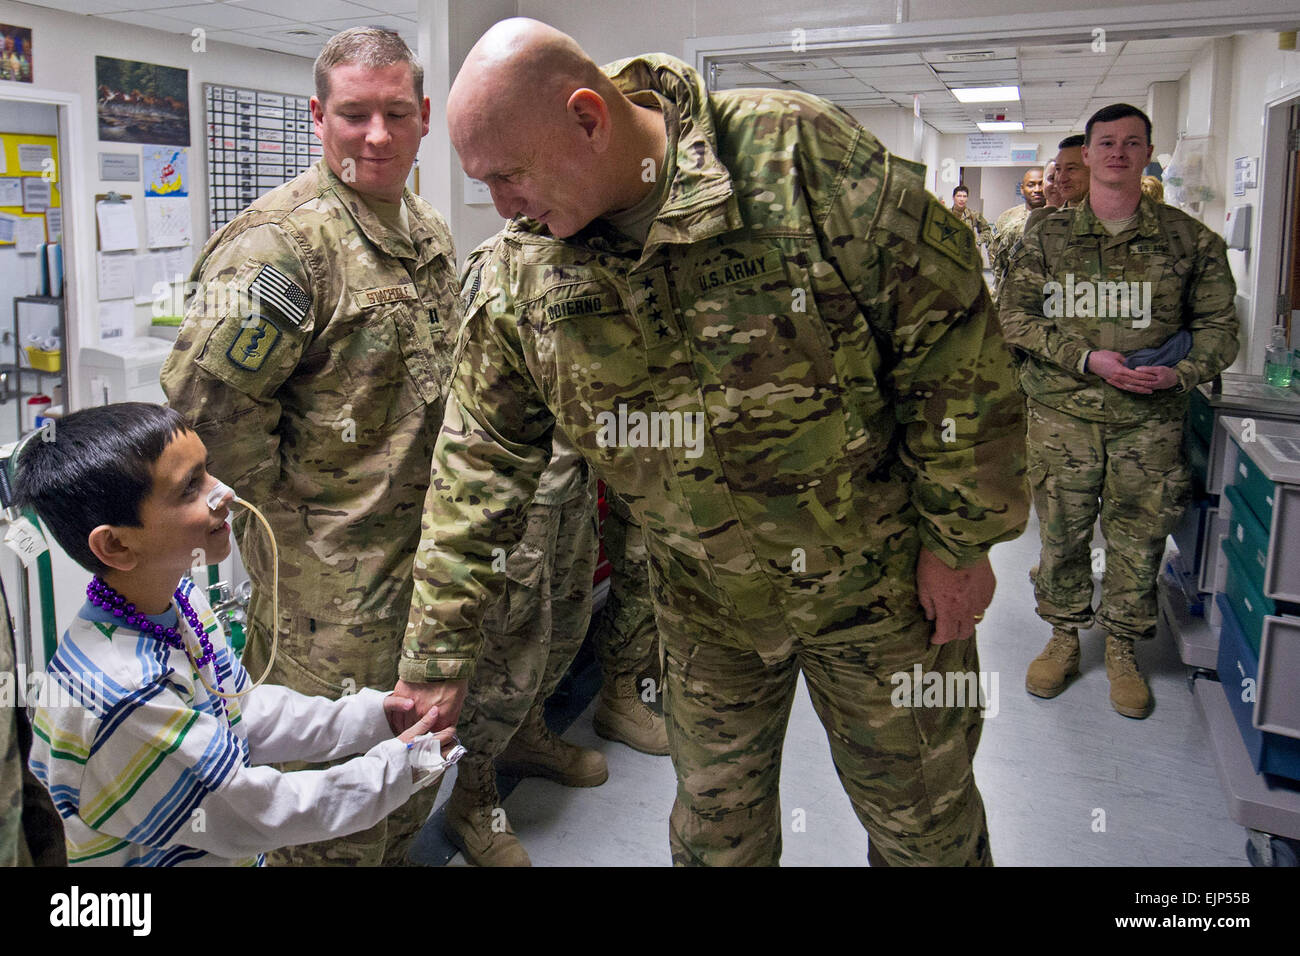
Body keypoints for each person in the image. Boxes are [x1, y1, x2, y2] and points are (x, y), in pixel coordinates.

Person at [396, 18, 1028, 867]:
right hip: (704, 609)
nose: (502, 206)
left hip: (885, 588)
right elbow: (479, 460)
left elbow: (952, 343)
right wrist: (437, 654)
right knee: (714, 836)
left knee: (928, 829)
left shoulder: (795, 156)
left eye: (508, 176)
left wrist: (961, 543)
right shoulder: (525, 271)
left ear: (589, 119)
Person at [160, 26, 462, 865]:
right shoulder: (282, 247)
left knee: (407, 767)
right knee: (325, 810)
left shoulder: (423, 227)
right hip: (326, 589)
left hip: (420, 565)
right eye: (354, 114)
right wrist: (292, 525)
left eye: (395, 113)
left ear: (424, 116)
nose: (376, 135)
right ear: (318, 118)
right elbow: (207, 416)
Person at [17, 404, 461, 866]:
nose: (223, 492)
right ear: (116, 545)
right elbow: (256, 813)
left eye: (207, 471)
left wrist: (367, 718)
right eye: (191, 486)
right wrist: (401, 766)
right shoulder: (125, 693)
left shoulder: (180, 600)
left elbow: (236, 712)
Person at [1000, 104, 1238, 718]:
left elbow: (1219, 329)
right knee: (1061, 531)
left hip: (1150, 421)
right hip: (1063, 416)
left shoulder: (1191, 241)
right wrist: (1084, 359)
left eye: (1132, 143)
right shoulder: (1045, 236)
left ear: (1146, 153)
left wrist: (1180, 371)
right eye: (1106, 142)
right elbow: (1013, 317)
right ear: (1088, 152)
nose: (1117, 152)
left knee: (1139, 535)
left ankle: (1125, 647)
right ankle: (1062, 637)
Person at [441, 429, 607, 867]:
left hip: (575, 468)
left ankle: (526, 737)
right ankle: (473, 794)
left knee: (567, 623)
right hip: (510, 480)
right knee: (506, 649)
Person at [989, 167, 1045, 288]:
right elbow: (994, 253)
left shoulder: (1058, 217)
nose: (1037, 189)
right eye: (1031, 185)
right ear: (1022, 189)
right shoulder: (1007, 218)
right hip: (1014, 291)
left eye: (1041, 184)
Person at [952, 185, 992, 261]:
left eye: (964, 196)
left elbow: (986, 230)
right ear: (953, 197)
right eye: (959, 196)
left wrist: (977, 242)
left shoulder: (973, 215)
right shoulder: (946, 214)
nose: (962, 199)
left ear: (967, 198)